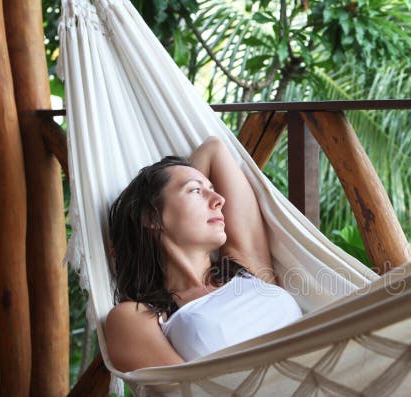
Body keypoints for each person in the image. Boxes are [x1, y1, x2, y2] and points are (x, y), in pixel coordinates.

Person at [104, 136, 303, 372]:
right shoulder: (137, 317)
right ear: (151, 217)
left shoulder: (244, 269)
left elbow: (214, 148)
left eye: (213, 190)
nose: (219, 201)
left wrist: (187, 185)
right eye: (196, 191)